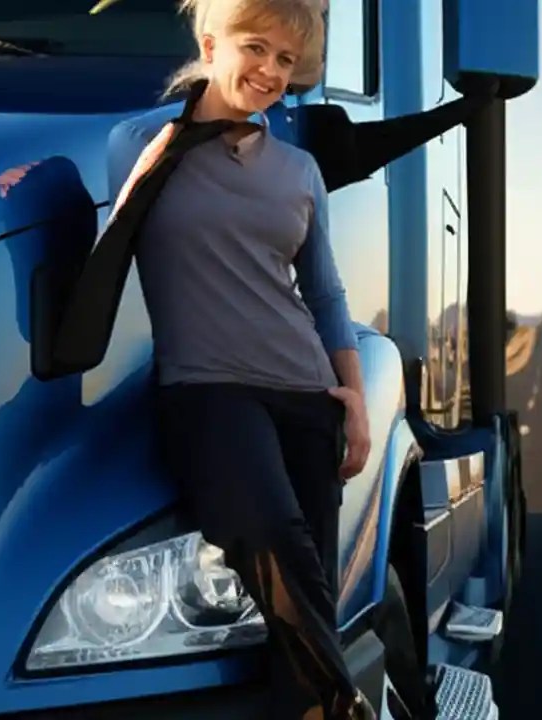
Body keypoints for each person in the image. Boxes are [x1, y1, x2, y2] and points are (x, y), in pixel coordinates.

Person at [104, 0, 375, 717]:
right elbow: (106, 255)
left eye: (287, 62)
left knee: (301, 595)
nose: (271, 72)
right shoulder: (137, 143)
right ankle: (344, 705)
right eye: (257, 48)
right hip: (207, 388)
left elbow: (324, 292)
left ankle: (316, 705)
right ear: (209, 40)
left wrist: (352, 397)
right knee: (272, 536)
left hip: (306, 391)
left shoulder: (299, 169)